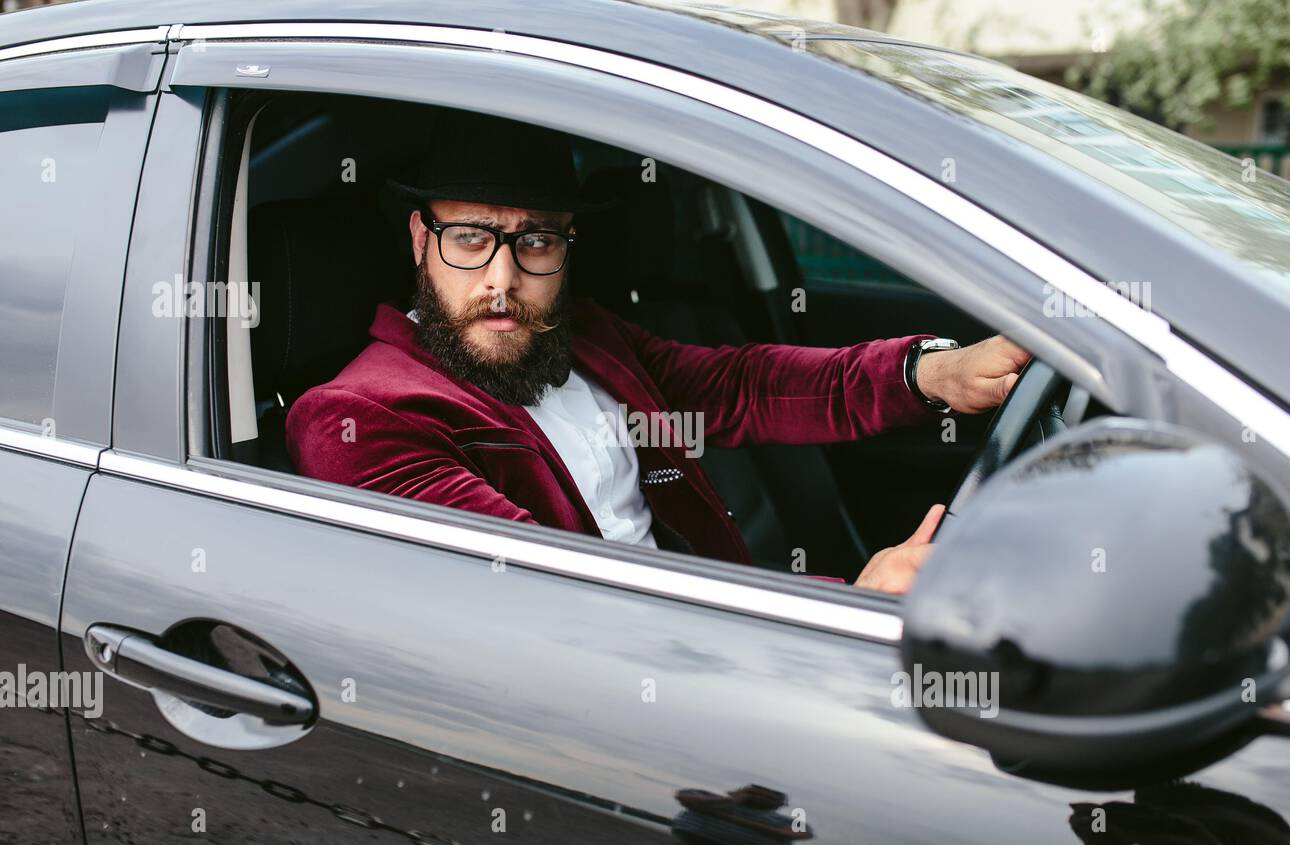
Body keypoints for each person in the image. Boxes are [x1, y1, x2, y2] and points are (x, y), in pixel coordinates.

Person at [286, 112, 1029, 593]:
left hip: (702, 646)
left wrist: (934, 373)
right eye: (471, 239)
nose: (503, 280)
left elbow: (744, 387)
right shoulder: (358, 419)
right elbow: (552, 609)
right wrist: (848, 611)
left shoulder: (587, 339)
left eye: (536, 240)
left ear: (567, 248)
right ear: (422, 240)